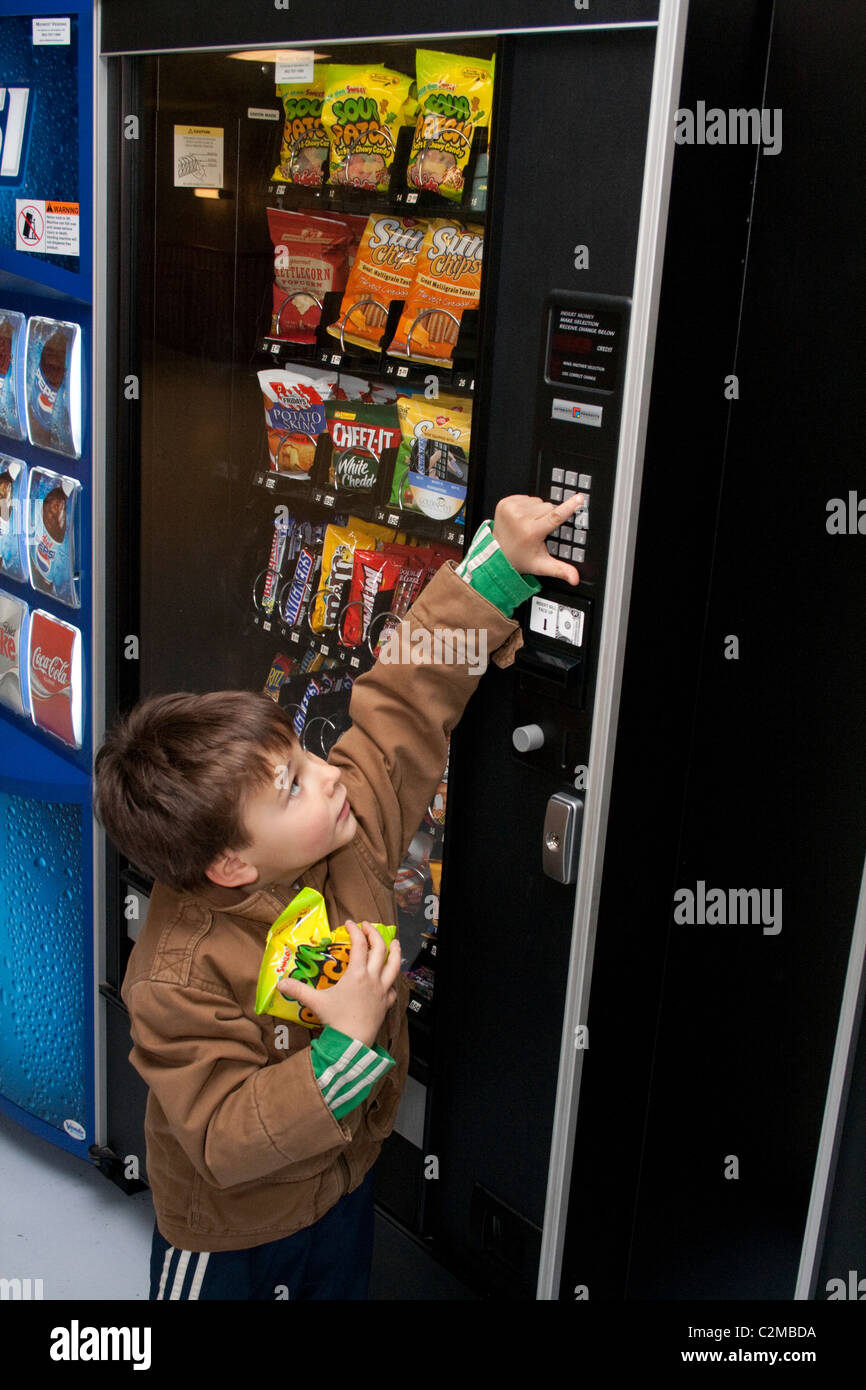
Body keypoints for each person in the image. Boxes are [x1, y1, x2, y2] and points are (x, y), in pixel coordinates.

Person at [93, 491, 584, 1301]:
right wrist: (346, 1047)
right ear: (228, 866)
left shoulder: (345, 831)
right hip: (232, 1239)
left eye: (301, 751)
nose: (330, 775)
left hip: (340, 1186)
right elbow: (223, 1136)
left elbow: (401, 703)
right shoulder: (173, 979)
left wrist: (494, 573)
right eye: (294, 786)